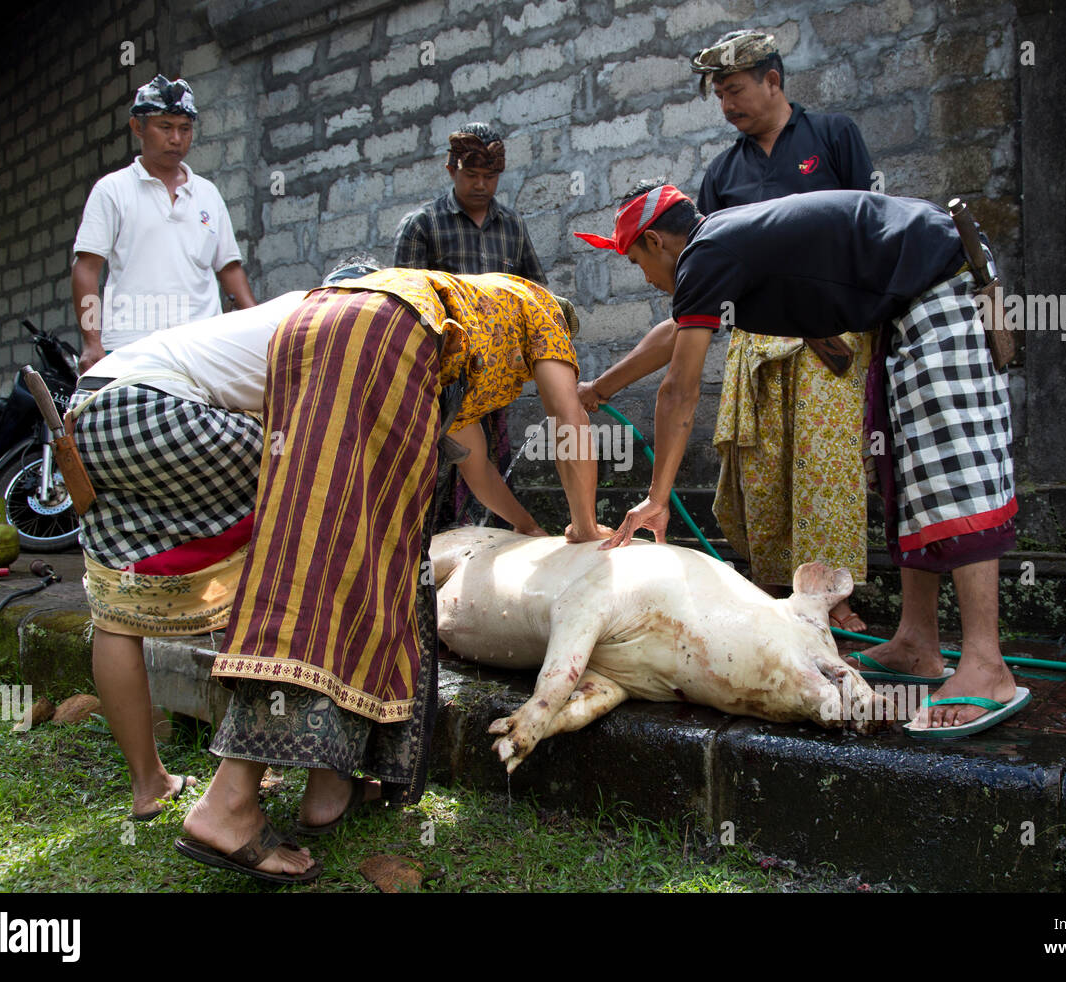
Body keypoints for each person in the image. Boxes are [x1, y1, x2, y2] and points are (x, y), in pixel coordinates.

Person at [177, 266, 607, 883]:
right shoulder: (542, 310)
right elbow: (568, 415)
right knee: (329, 561)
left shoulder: (472, 319)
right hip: (383, 335)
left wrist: (525, 525)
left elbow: (474, 464)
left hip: (312, 324)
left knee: (344, 550)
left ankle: (328, 791)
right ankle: (229, 800)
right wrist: (586, 527)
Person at [575, 182, 1026, 739]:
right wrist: (598, 389)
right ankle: (917, 644)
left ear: (655, 241)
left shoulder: (706, 251)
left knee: (951, 468)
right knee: (908, 476)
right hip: (908, 301)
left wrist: (658, 498)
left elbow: (679, 390)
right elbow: (673, 334)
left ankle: (987, 666)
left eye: (637, 259)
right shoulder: (729, 248)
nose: (643, 276)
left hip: (938, 281)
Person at [579, 31, 875, 631]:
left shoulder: (833, 136)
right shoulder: (722, 174)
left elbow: (865, 228)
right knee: (757, 471)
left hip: (831, 336)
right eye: (718, 95)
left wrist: (853, 322)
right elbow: (694, 310)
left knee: (822, 467)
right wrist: (600, 388)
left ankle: (830, 602)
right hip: (755, 339)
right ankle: (772, 598)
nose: (726, 105)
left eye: (735, 90)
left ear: (773, 80)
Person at [69, 290, 309, 822]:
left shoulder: (277, 311)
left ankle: (149, 786)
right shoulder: (332, 323)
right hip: (156, 408)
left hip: (85, 416)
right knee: (302, 481)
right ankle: (244, 771)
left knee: (114, 609)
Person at [394, 122, 548, 532]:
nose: (481, 185)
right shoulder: (423, 226)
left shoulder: (513, 228)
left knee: (493, 464)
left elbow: (536, 295)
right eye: (471, 175)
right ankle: (438, 559)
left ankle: (496, 546)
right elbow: (406, 310)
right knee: (441, 471)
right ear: (450, 170)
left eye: (490, 177)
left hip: (497, 376)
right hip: (442, 379)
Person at [71, 74, 255, 374]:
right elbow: (86, 268)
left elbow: (230, 270)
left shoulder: (208, 193)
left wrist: (260, 331)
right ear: (138, 127)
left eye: (185, 129)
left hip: (204, 348)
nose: (176, 139)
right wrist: (92, 342)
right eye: (165, 127)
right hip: (132, 348)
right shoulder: (113, 190)